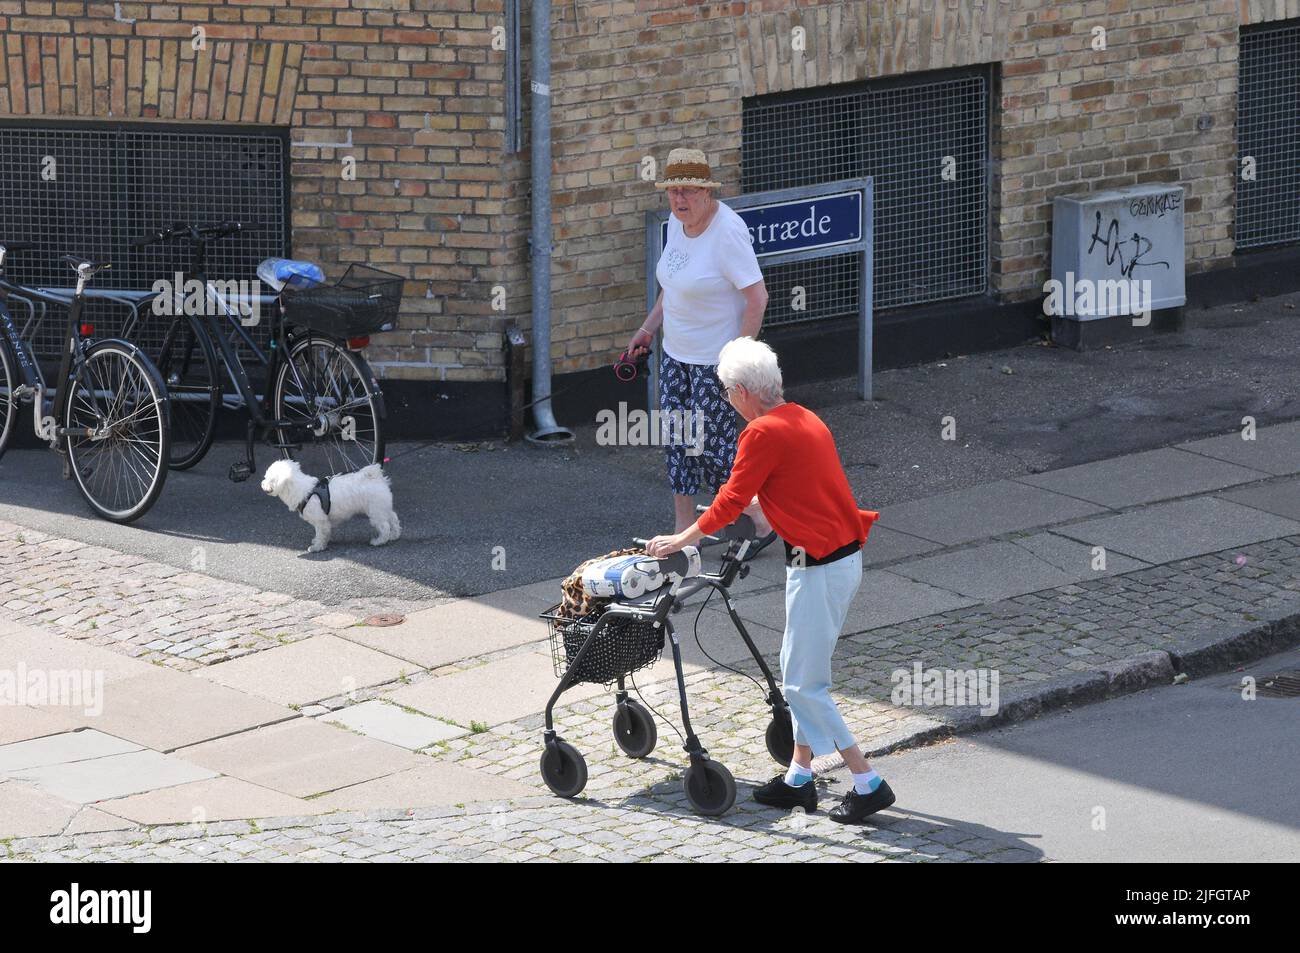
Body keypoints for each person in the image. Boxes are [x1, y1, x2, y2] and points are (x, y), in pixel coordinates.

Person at [645, 337, 895, 823]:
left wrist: (682, 541)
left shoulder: (760, 434)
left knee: (804, 685)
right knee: (798, 669)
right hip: (834, 559)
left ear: (741, 391)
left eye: (724, 392)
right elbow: (802, 488)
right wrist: (766, 507)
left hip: (819, 566)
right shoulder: (805, 418)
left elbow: (730, 501)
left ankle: (868, 781)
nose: (725, 401)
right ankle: (798, 779)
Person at [627, 147, 770, 534]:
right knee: (677, 442)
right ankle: (684, 528)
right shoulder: (677, 224)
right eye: (674, 191)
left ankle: (760, 518)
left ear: (708, 192)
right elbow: (672, 287)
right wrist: (647, 329)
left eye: (689, 191)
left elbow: (758, 297)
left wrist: (738, 359)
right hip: (676, 356)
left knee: (715, 449)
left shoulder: (727, 232)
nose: (680, 199)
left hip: (715, 361)